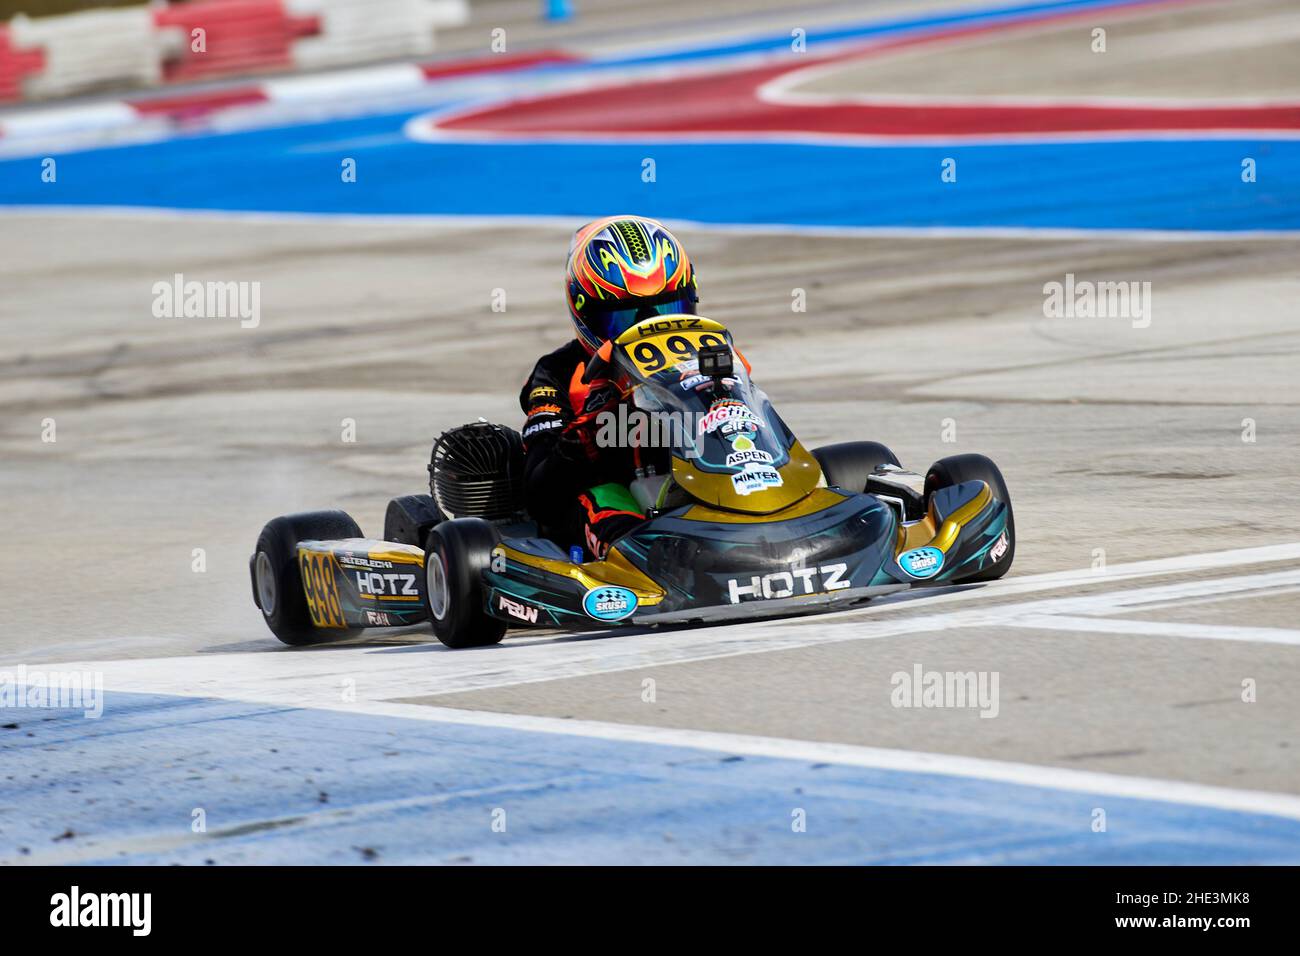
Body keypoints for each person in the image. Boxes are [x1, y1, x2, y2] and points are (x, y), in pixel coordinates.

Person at [519, 215, 699, 558]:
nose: (650, 329)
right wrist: (589, 429)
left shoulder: (706, 355)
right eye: (625, 317)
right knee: (606, 503)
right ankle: (647, 559)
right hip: (612, 495)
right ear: (586, 311)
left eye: (667, 307)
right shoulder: (558, 372)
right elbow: (539, 491)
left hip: (697, 480)